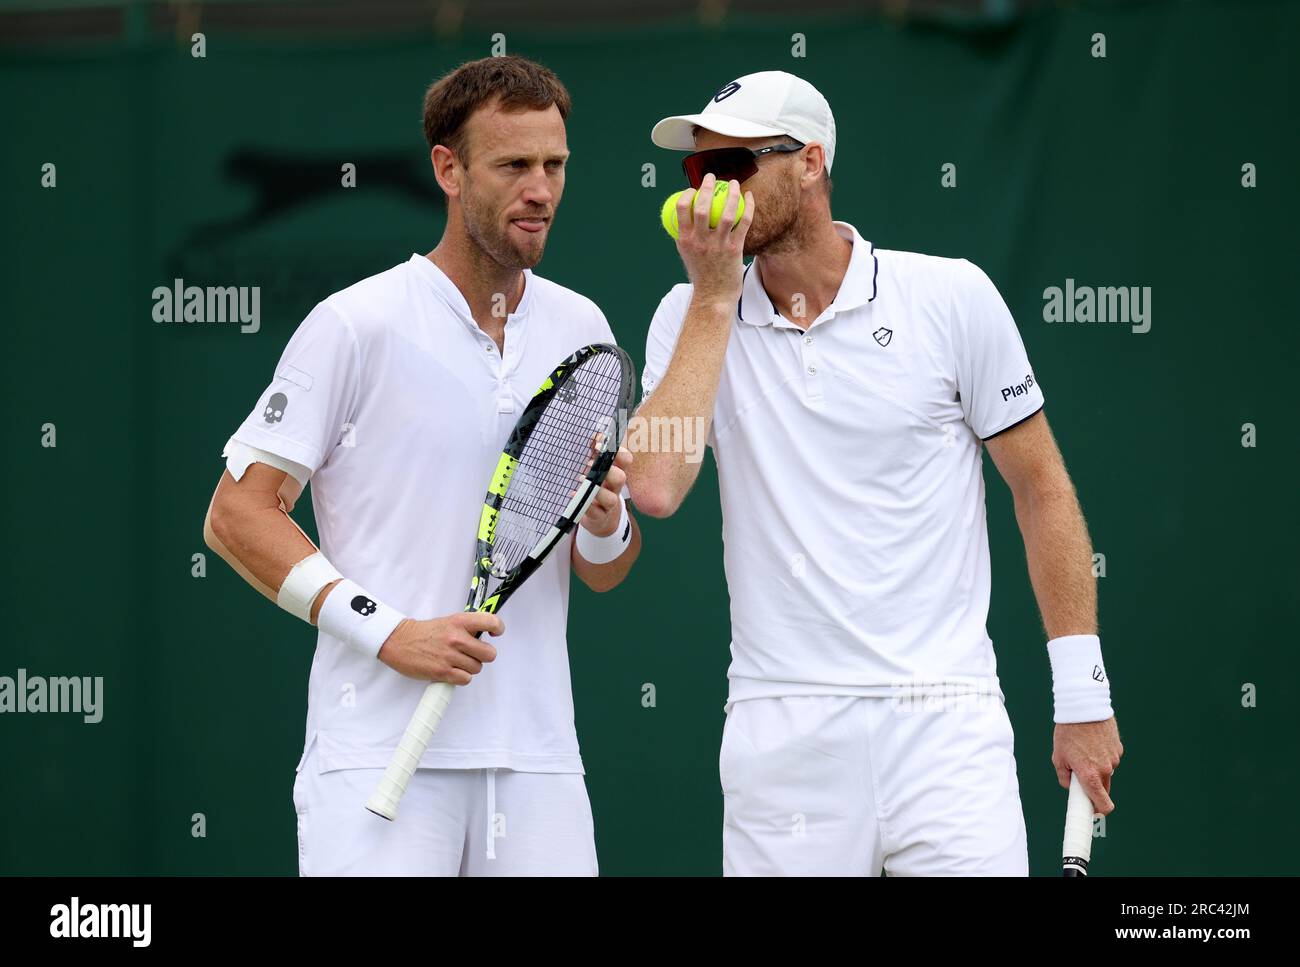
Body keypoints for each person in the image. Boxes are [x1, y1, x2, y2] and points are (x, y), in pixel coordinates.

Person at [627, 70, 1122, 876]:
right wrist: (712, 300)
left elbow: (1042, 491)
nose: (710, 192)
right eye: (697, 173)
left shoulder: (952, 296)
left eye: (734, 167)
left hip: (947, 725)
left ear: (811, 163)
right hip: (779, 730)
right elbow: (654, 484)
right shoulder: (686, 317)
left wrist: (1083, 695)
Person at [202, 55, 639, 876]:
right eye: (514, 165)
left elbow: (603, 570)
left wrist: (608, 520)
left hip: (539, 767)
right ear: (448, 167)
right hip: (376, 754)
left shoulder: (582, 325)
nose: (540, 189)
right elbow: (236, 515)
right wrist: (390, 632)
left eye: (555, 165)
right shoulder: (354, 324)